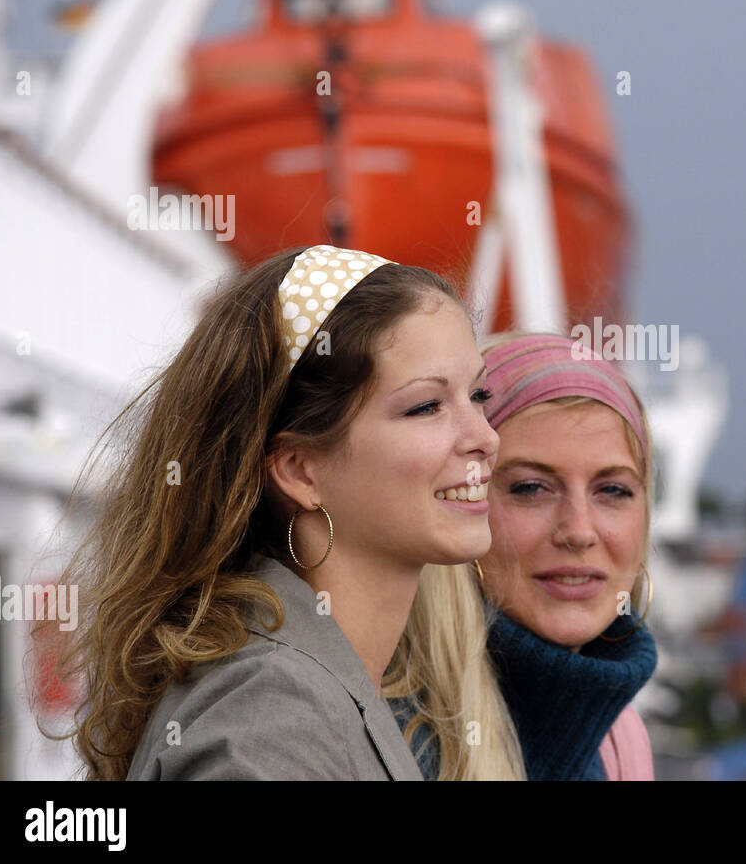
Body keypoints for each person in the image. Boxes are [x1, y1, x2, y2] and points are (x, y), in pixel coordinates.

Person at [45, 244, 523, 780]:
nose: (485, 436)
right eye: (426, 406)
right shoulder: (272, 720)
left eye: (478, 394)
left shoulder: (302, 685)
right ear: (299, 470)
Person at [391, 332, 657, 780]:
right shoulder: (382, 738)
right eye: (531, 488)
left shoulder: (620, 737)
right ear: (459, 500)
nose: (579, 531)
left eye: (613, 490)